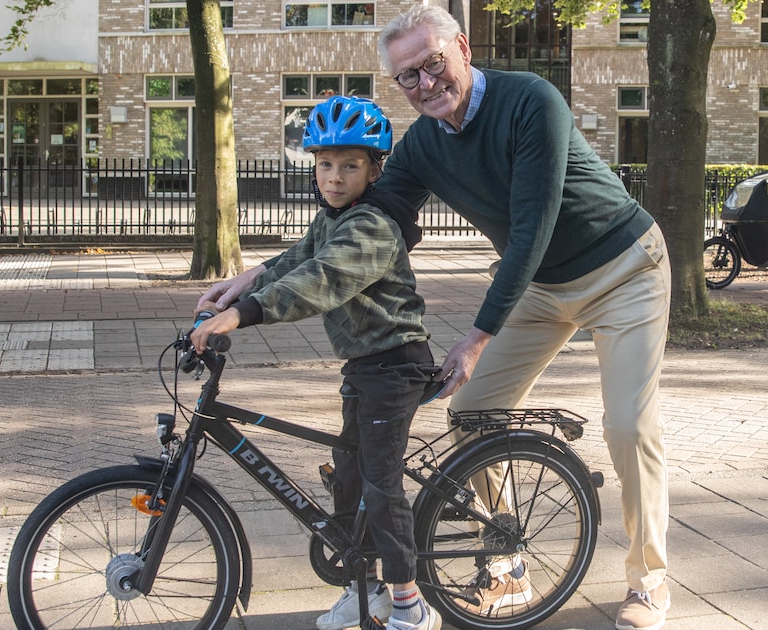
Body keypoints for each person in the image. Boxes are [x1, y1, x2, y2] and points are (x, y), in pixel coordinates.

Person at [375, 6, 671, 630]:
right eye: (409, 77)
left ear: (463, 47)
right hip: (542, 285)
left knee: (628, 426)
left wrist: (477, 335)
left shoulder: (532, 100)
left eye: (433, 64)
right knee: (471, 413)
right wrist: (263, 277)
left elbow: (532, 225)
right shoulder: (422, 144)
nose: (426, 84)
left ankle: (649, 582)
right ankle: (507, 565)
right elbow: (367, 222)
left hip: (624, 270)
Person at [192, 95, 441, 630]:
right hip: (364, 366)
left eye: (350, 165)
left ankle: (409, 604)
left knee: (379, 482)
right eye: (325, 164)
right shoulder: (335, 217)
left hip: (395, 366)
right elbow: (297, 259)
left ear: (375, 169)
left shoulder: (371, 226)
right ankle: (368, 586)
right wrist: (244, 282)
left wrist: (243, 317)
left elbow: (320, 279)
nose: (334, 176)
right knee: (348, 482)